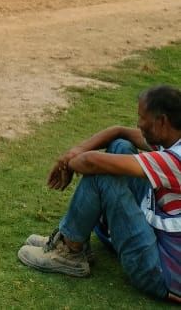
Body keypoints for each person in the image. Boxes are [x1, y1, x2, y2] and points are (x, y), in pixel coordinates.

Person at [18, 85, 181, 303]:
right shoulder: (173, 139)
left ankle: (70, 252)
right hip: (161, 245)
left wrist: (69, 163)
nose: (138, 123)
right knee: (121, 146)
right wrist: (75, 153)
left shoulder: (175, 160)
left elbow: (91, 163)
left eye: (142, 117)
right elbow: (119, 132)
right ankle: (72, 239)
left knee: (101, 174)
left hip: (158, 274)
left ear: (161, 121)